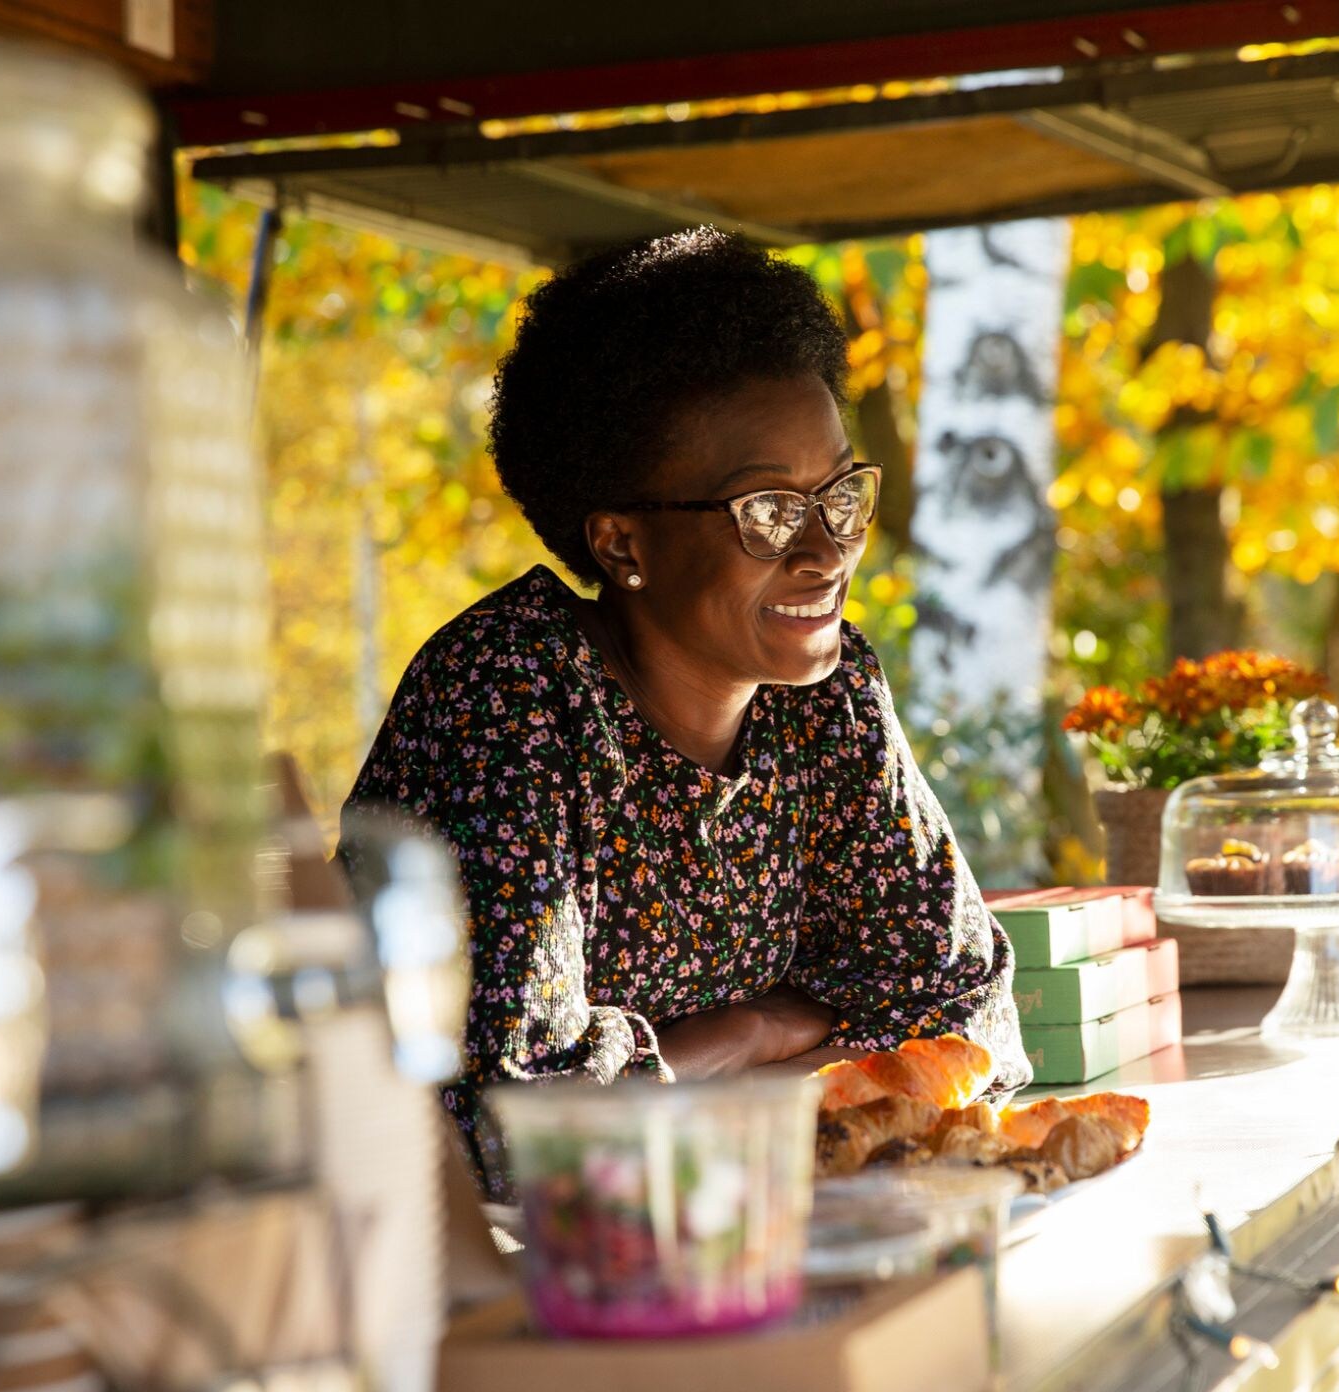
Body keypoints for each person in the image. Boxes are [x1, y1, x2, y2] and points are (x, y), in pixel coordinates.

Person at [342, 227, 1029, 1195]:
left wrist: (677, 1064)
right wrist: (763, 1026)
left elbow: (965, 1006)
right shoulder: (509, 696)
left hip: (730, 1209)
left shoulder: (826, 697)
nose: (827, 550)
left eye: (840, 494)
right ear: (623, 544)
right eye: (769, 512)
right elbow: (515, 1119)